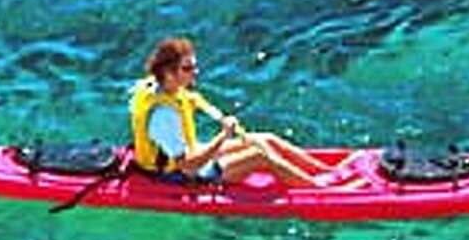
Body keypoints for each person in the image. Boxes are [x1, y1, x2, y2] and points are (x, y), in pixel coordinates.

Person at [128, 37, 356, 188]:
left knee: (265, 139)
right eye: (187, 69)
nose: (195, 73)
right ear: (168, 73)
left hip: (190, 154)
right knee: (261, 156)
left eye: (194, 66)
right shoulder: (163, 116)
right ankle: (321, 189)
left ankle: (329, 171)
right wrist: (223, 136)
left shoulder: (163, 86)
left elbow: (185, 101)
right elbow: (188, 166)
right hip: (181, 176)